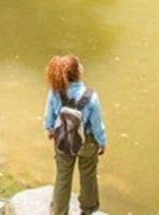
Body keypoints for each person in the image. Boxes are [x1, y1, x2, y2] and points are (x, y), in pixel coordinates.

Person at [43, 54, 106, 215]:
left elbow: (49, 117)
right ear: (77, 72)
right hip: (86, 141)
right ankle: (88, 209)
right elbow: (96, 125)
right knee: (88, 175)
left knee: (62, 177)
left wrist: (50, 130)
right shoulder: (91, 96)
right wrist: (101, 141)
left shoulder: (55, 92)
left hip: (63, 140)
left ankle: (58, 211)